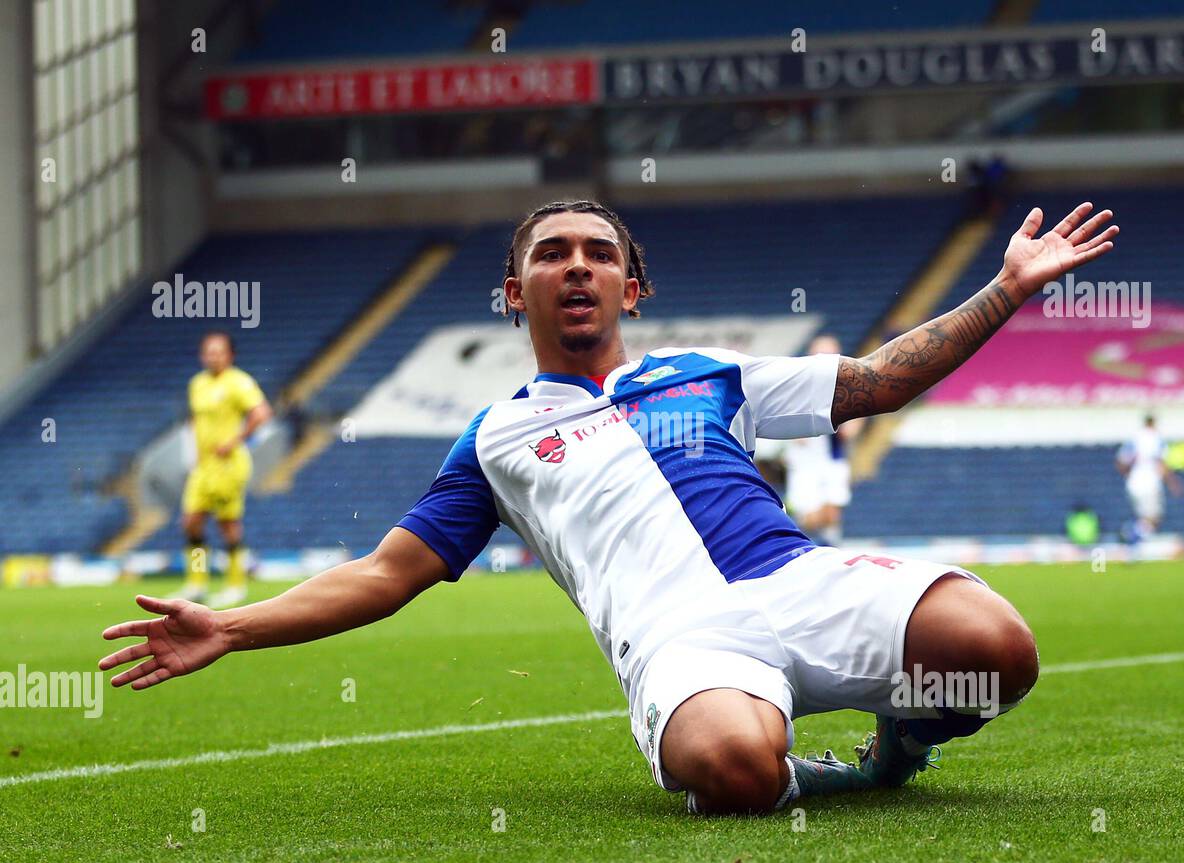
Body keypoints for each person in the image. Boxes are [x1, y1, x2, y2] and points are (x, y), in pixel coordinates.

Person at [102, 198, 1119, 815]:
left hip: (801, 581)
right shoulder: (494, 440)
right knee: (730, 773)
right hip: (681, 645)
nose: (576, 264)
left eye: (597, 252)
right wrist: (229, 625)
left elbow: (879, 379)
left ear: (631, 286)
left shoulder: (707, 372)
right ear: (515, 291)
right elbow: (384, 573)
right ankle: (824, 775)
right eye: (552, 254)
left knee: (996, 651)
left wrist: (1005, 288)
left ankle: (904, 739)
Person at [174, 331, 272, 608]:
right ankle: (196, 583)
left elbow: (262, 413)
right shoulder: (197, 384)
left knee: (227, 524)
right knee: (191, 522)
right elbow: (195, 422)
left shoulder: (238, 382)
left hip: (228, 464)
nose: (213, 356)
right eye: (208, 351)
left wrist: (234, 441)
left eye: (218, 351)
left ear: (230, 355)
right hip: (203, 466)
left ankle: (235, 584)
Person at [759, 334, 863, 546]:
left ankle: (822, 547)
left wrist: (839, 410)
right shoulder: (795, 389)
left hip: (831, 463)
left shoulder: (850, 390)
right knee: (807, 520)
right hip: (804, 466)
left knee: (830, 516)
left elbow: (850, 432)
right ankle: (805, 545)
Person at [1116, 413, 1184, 540]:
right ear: (1154, 423)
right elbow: (1161, 464)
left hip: (1134, 483)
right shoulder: (1156, 439)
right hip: (1150, 482)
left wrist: (1129, 475)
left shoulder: (1134, 439)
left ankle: (1135, 539)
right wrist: (1173, 483)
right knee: (1154, 518)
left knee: (1145, 519)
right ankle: (1128, 536)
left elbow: (1121, 462)